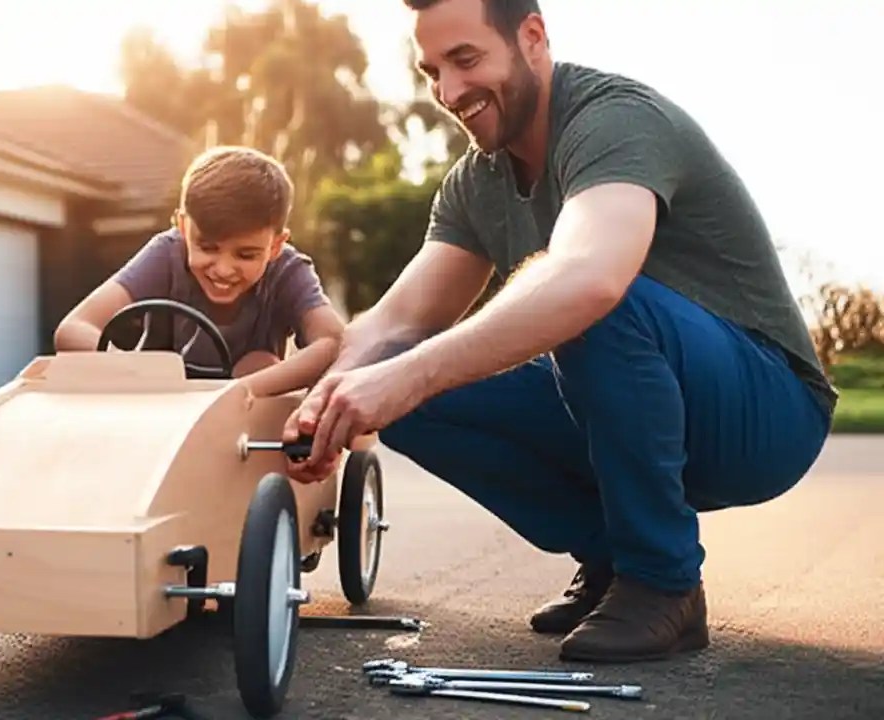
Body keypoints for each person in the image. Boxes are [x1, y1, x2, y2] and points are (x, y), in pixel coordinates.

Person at [283, 0, 835, 664]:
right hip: (634, 395)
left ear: (533, 38)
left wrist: (404, 374)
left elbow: (590, 276)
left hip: (764, 409)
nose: (449, 92)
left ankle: (662, 581)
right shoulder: (475, 183)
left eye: (466, 60)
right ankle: (610, 555)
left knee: (583, 304)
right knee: (393, 381)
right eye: (432, 71)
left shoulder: (615, 120)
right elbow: (397, 321)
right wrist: (329, 399)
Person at [54, 145, 344, 398]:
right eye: (208, 247)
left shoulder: (287, 272)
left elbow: (331, 341)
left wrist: (243, 391)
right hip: (159, 406)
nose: (223, 269)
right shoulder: (167, 253)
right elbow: (73, 329)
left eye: (245, 254)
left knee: (258, 361)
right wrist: (141, 374)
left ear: (275, 246)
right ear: (182, 227)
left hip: (245, 414)